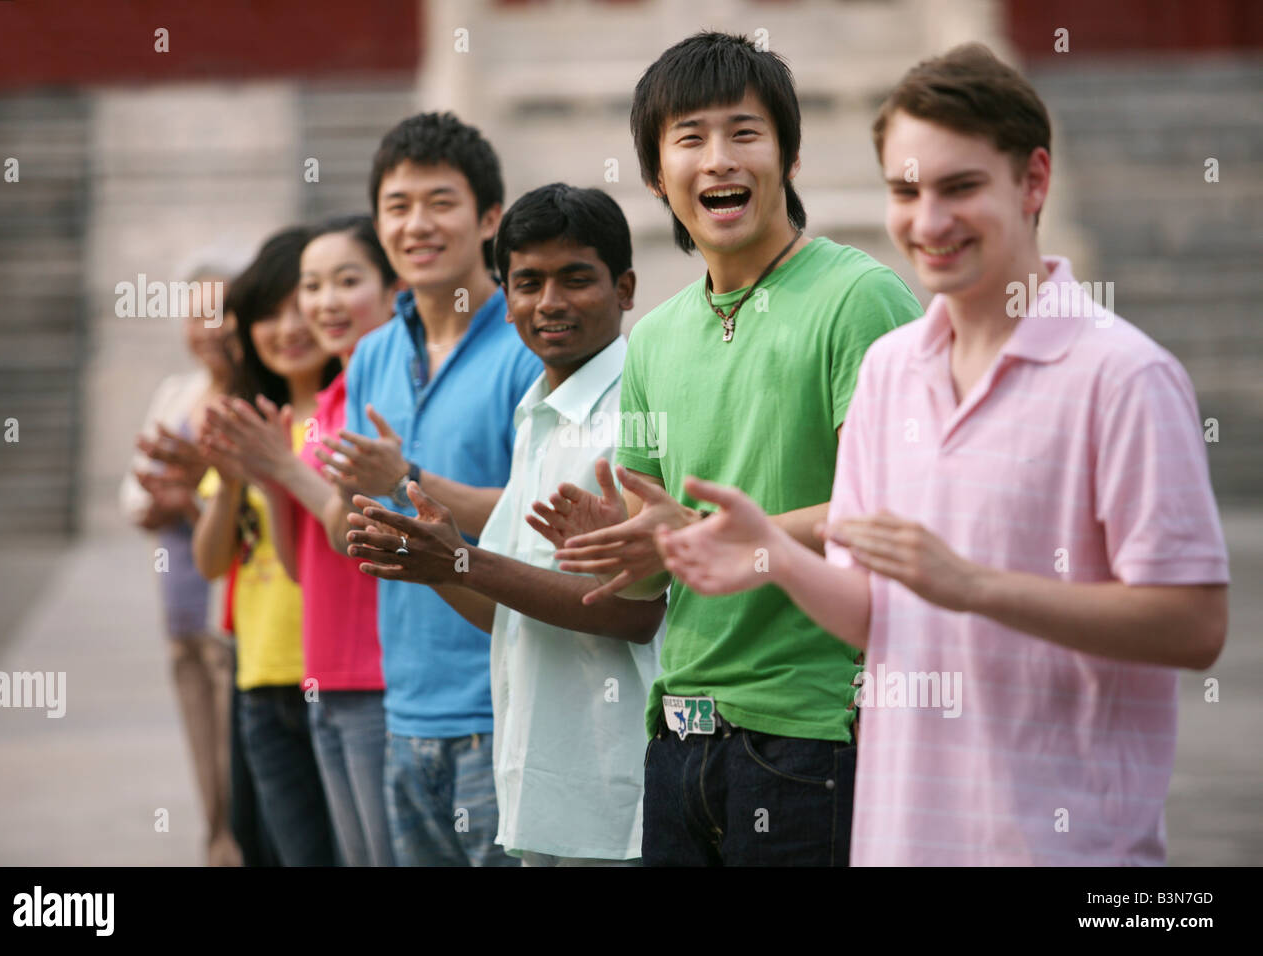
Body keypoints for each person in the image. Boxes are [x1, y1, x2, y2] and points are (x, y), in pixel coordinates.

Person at [655, 43, 1230, 866]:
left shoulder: (1126, 376)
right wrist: (769, 553)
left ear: (1033, 182)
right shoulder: (891, 371)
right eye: (905, 191)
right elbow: (872, 614)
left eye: (961, 188)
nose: (929, 222)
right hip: (897, 840)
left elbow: (1196, 624)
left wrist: (977, 587)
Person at [530, 32, 921, 866]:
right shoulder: (657, 338)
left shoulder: (861, 298)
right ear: (654, 175)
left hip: (811, 735)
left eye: (744, 133)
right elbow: (656, 559)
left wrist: (751, 537)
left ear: (789, 154)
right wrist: (621, 541)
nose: (719, 160)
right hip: (679, 738)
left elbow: (895, 509)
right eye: (689, 138)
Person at [344, 184, 663, 865]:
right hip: (537, 782)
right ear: (505, 294)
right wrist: (426, 562)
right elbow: (507, 612)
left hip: (619, 791)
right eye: (528, 283)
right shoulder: (535, 408)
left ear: (625, 287)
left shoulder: (638, 405)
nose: (549, 303)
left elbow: (636, 611)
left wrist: (461, 560)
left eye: (576, 279)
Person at [314, 112, 542, 866]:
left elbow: (542, 519)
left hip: (507, 705)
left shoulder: (530, 343)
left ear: (488, 219)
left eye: (440, 202)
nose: (417, 224)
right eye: (398, 205)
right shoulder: (372, 353)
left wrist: (405, 481)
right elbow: (357, 527)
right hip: (402, 710)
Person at [202, 215, 399, 866]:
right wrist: (254, 477)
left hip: (371, 674)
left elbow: (358, 535)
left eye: (341, 283)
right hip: (292, 672)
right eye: (309, 289)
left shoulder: (366, 398)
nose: (305, 317)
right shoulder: (282, 417)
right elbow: (283, 564)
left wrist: (283, 471)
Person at [192, 226, 339, 866]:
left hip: (331, 673)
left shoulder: (341, 414)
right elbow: (210, 561)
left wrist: (282, 474)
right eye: (266, 314)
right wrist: (228, 485)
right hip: (259, 674)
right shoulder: (250, 418)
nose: (286, 328)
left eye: (298, 306)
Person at [119, 256, 242, 867]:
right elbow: (134, 491)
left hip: (229, 613)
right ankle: (214, 841)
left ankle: (230, 845)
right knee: (202, 750)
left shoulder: (249, 399)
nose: (207, 328)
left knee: (233, 755)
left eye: (220, 312)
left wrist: (190, 500)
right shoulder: (178, 394)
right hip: (181, 617)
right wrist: (155, 503)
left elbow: (250, 517)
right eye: (196, 315)